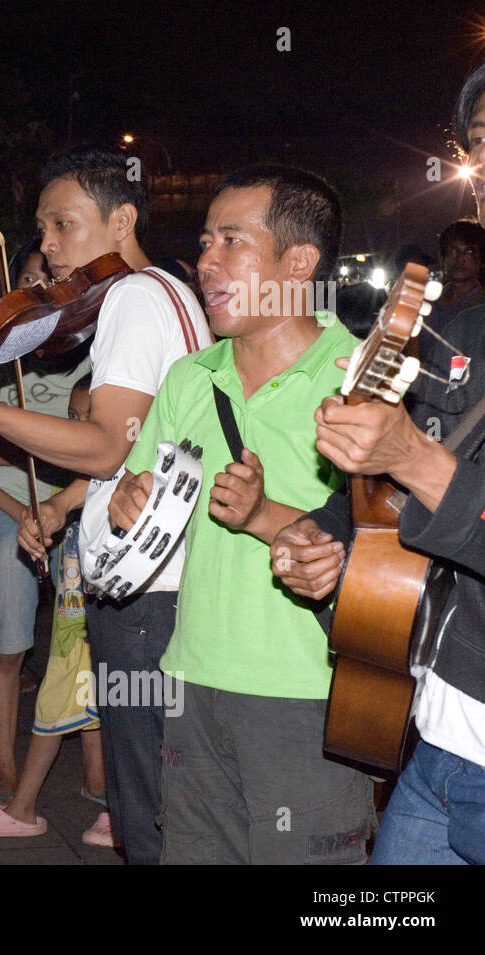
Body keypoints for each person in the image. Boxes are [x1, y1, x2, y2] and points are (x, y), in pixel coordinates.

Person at [0, 145, 211, 864]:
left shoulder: (136, 298)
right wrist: (62, 504)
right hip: (169, 579)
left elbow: (109, 443)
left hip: (146, 593)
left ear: (122, 220)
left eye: (62, 224)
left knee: (141, 804)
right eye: (41, 229)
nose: (46, 248)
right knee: (156, 788)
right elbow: (149, 443)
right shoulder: (168, 291)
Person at [109, 165, 373, 864]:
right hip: (192, 680)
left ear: (300, 261)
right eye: (205, 240)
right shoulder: (191, 378)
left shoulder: (362, 381)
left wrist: (263, 514)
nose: (206, 261)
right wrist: (127, 505)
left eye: (233, 240)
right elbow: (140, 502)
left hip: (309, 694)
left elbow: (389, 549)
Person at [272, 63, 485, 864]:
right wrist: (323, 542)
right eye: (480, 145)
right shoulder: (465, 333)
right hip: (437, 743)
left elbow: (425, 463)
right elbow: (392, 489)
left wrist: (413, 456)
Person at [0, 375, 110, 840]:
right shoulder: (2, 358)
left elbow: (114, 445)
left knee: (90, 661)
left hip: (79, 515)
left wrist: (52, 447)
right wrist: (72, 446)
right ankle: (9, 777)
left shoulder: (93, 351)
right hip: (18, 514)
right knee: (9, 648)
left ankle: (98, 781)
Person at [425, 219, 485, 335]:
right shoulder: (427, 302)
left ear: (481, 260)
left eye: (469, 251)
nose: (460, 258)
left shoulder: (481, 306)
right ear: (442, 258)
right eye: (453, 250)